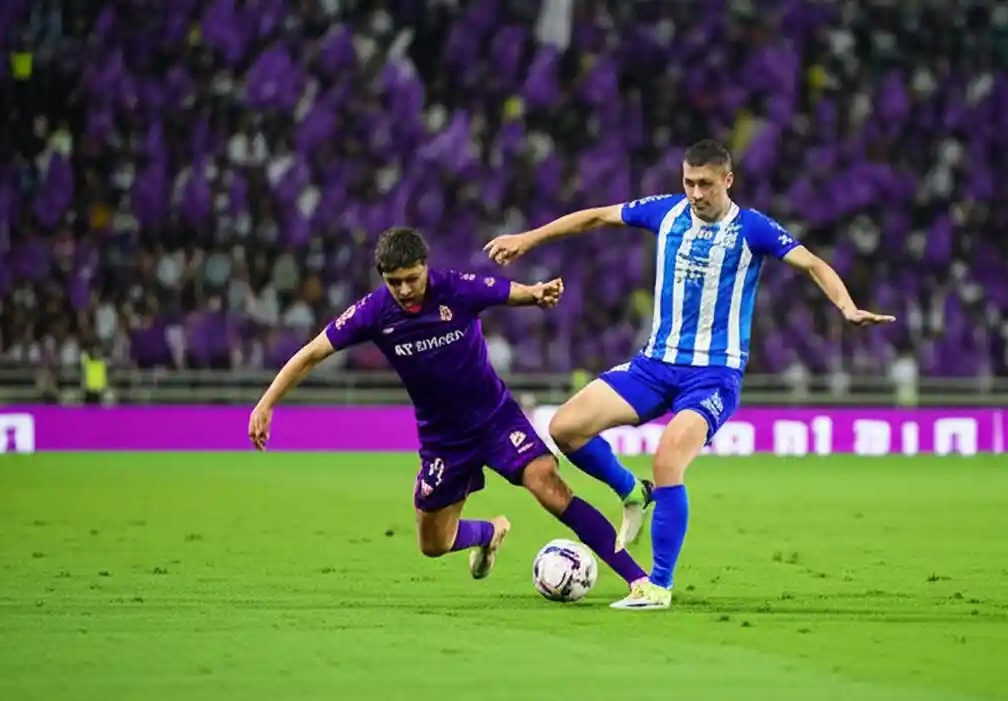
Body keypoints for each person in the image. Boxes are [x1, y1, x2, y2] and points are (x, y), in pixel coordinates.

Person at [485, 140, 895, 610]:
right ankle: (630, 491)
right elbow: (595, 216)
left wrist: (846, 306)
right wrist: (527, 239)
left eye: (705, 184)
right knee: (565, 428)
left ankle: (658, 586)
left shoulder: (753, 228)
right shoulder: (666, 212)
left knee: (668, 461)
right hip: (654, 364)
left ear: (727, 181)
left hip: (713, 375)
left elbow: (813, 264)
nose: (695, 193)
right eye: (688, 182)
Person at [249, 228, 649, 592]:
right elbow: (312, 352)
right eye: (394, 282)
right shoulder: (373, 312)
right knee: (434, 544)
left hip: (496, 418)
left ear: (426, 267)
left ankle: (639, 580)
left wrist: (537, 293)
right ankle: (489, 532)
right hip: (443, 439)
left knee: (548, 484)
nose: (405, 290)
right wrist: (266, 403)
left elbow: (509, 292)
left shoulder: (455, 289)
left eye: (412, 278)